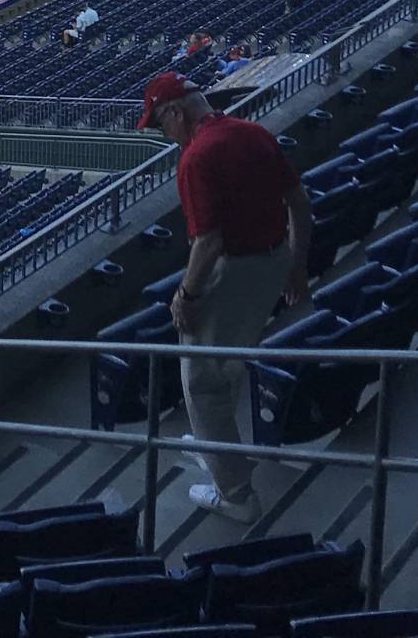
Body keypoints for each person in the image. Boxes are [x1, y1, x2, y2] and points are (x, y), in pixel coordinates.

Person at [139, 73, 311, 522]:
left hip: (231, 273)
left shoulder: (196, 157)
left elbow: (208, 242)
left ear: (176, 113)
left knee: (201, 384)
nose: (164, 134)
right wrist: (296, 262)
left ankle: (235, 493)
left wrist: (186, 295)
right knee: (228, 362)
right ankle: (219, 449)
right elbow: (298, 201)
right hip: (271, 265)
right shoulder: (252, 132)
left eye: (160, 124)